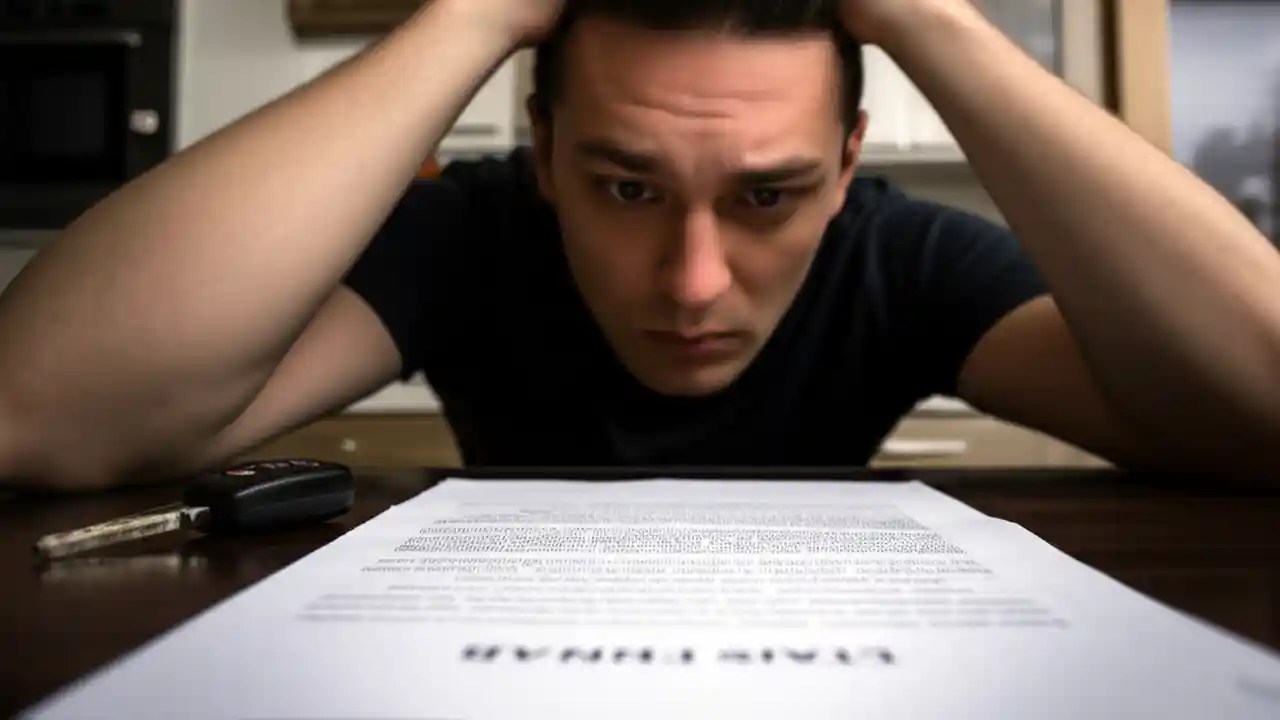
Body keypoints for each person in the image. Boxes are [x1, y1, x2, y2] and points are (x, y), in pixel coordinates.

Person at [1, 0, 1278, 491]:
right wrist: (469, 20)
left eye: (768, 196)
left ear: (845, 165)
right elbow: (42, 415)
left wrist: (931, 21)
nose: (694, 282)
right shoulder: (472, 235)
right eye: (623, 189)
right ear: (544, 152)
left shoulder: (898, 259)